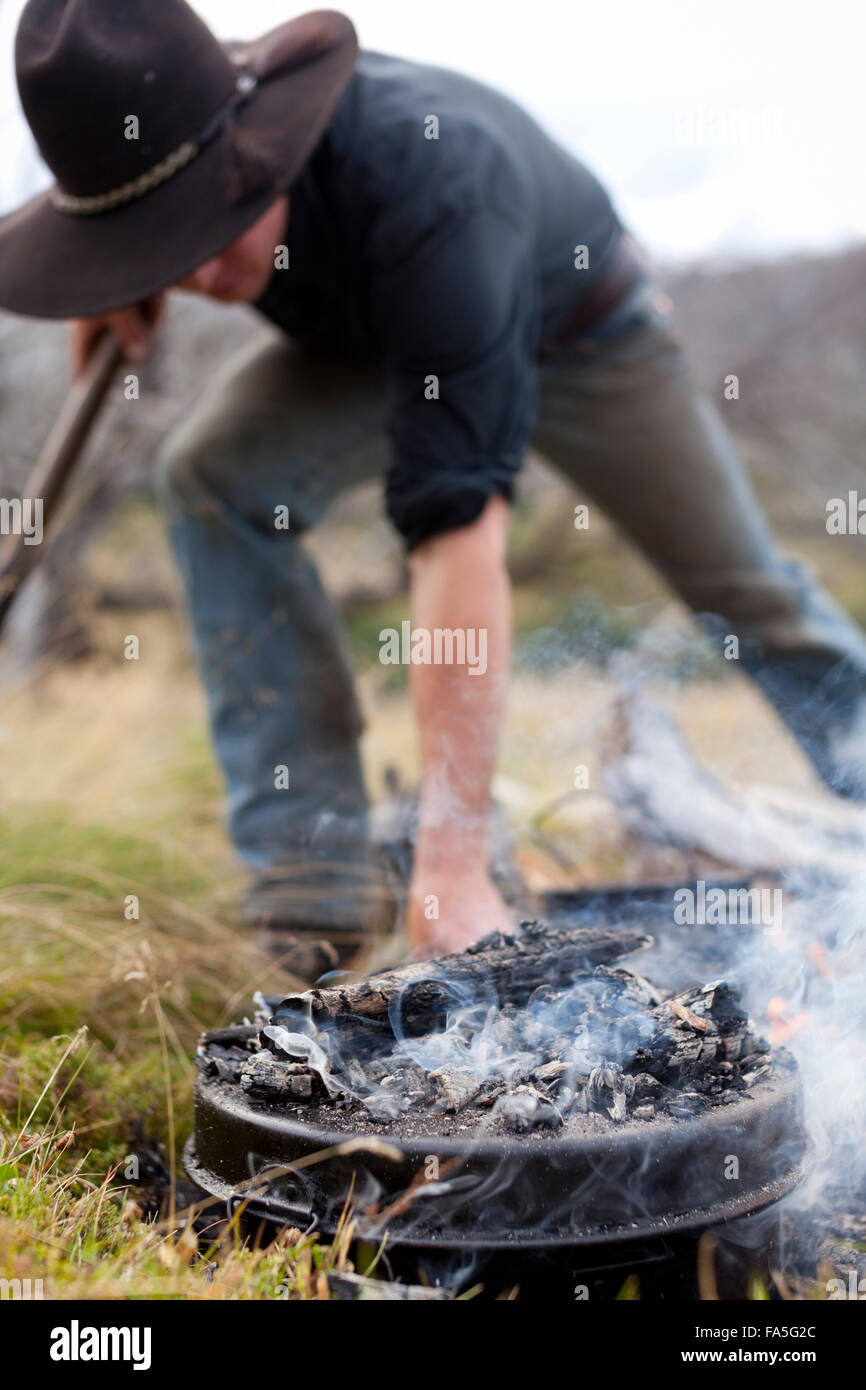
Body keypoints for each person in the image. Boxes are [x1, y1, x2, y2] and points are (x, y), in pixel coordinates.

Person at [3, 0, 866, 976]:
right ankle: (310, 880)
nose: (194, 269)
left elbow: (456, 541)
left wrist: (451, 862)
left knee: (737, 581)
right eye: (162, 241)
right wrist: (128, 262)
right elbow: (157, 209)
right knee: (211, 477)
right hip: (382, 341)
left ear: (259, 154)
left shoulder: (434, 179)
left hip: (579, 334)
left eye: (203, 228)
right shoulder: (157, 117)